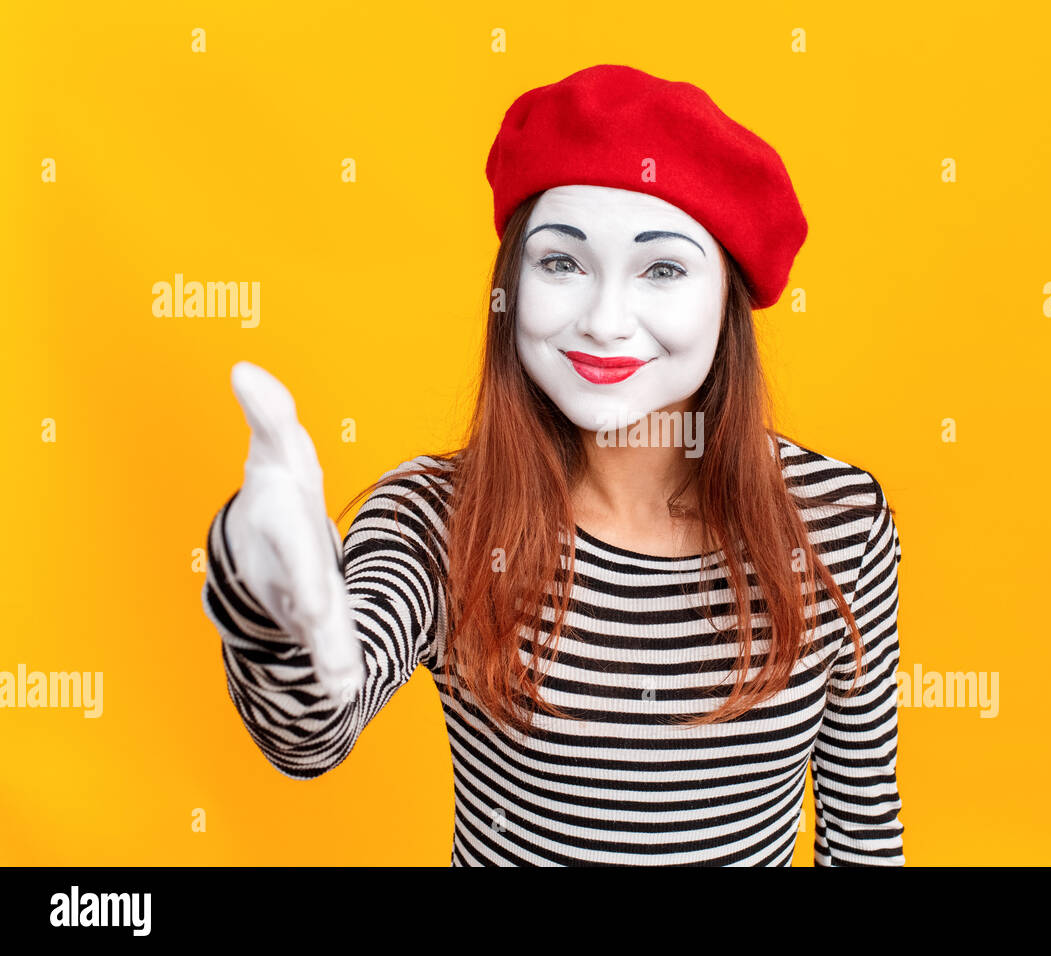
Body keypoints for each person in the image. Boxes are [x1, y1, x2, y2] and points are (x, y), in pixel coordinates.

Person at [200, 63, 904, 866]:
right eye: (562, 263)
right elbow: (312, 734)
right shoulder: (436, 519)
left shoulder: (836, 522)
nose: (603, 321)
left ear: (726, 302)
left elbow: (862, 825)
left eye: (664, 269)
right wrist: (276, 611)